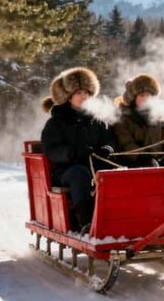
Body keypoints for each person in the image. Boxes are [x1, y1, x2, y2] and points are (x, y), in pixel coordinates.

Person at [40, 67, 117, 232]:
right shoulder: (56, 122)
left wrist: (107, 149)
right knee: (79, 174)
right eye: (79, 93)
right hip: (67, 170)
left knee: (116, 173)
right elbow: (51, 149)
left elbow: (109, 140)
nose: (84, 96)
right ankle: (86, 222)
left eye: (87, 93)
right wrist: (72, 153)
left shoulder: (97, 120)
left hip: (95, 165)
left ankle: (117, 217)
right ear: (69, 96)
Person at [112, 73, 164, 167]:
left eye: (149, 96)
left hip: (158, 162)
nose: (146, 99)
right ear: (133, 98)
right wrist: (142, 157)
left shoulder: (159, 121)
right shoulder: (123, 120)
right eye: (142, 95)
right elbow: (126, 144)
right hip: (134, 164)